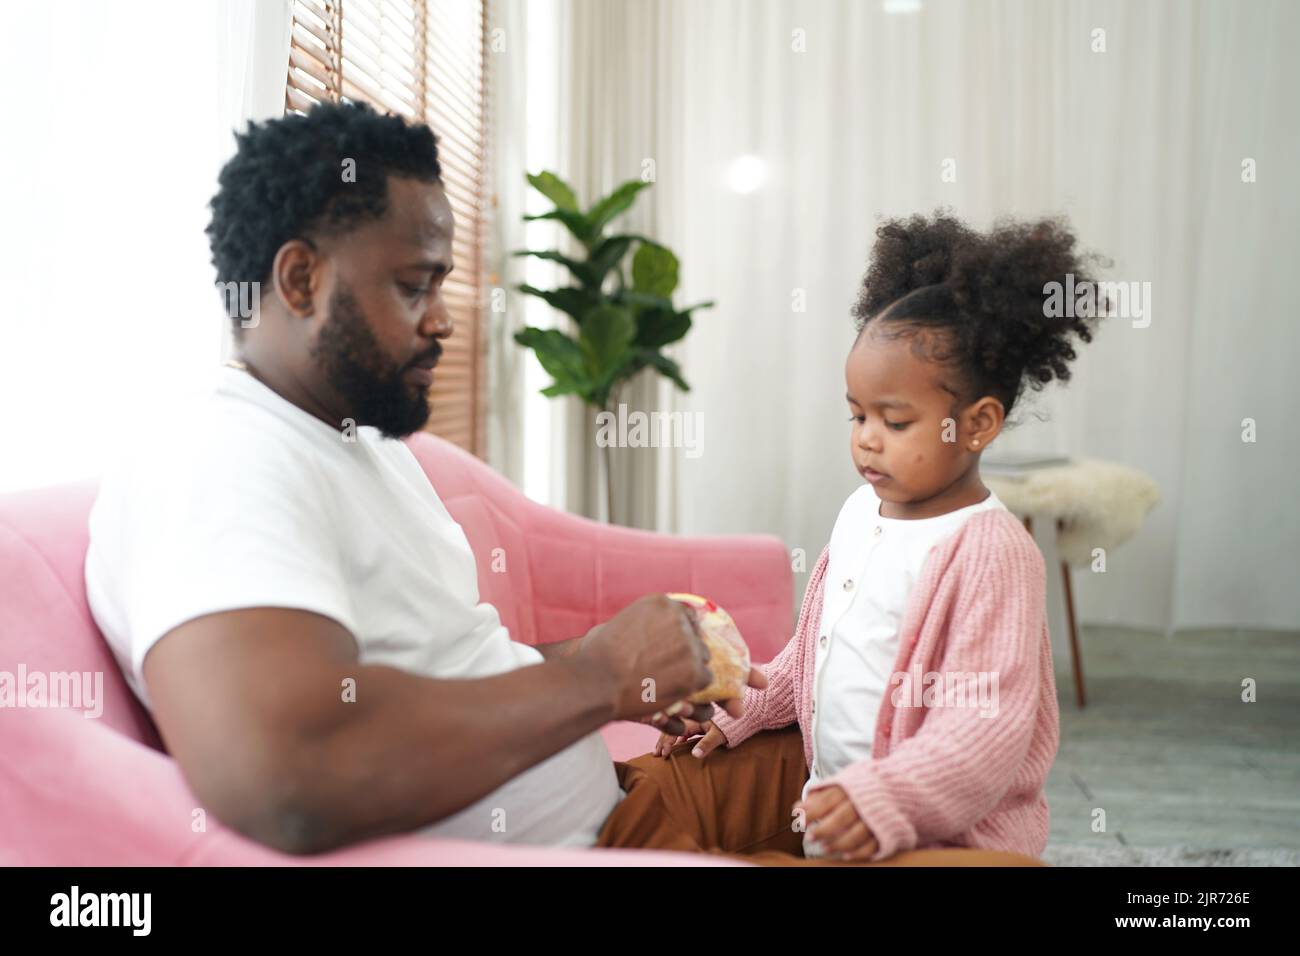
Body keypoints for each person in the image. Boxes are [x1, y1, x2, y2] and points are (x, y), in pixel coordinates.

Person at [642, 212, 1102, 864]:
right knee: (667, 806)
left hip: (948, 838)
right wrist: (737, 707)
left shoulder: (993, 553)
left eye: (895, 419)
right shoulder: (862, 511)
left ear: (976, 425)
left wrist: (882, 796)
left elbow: (982, 734)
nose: (866, 436)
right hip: (844, 814)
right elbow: (815, 653)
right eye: (856, 414)